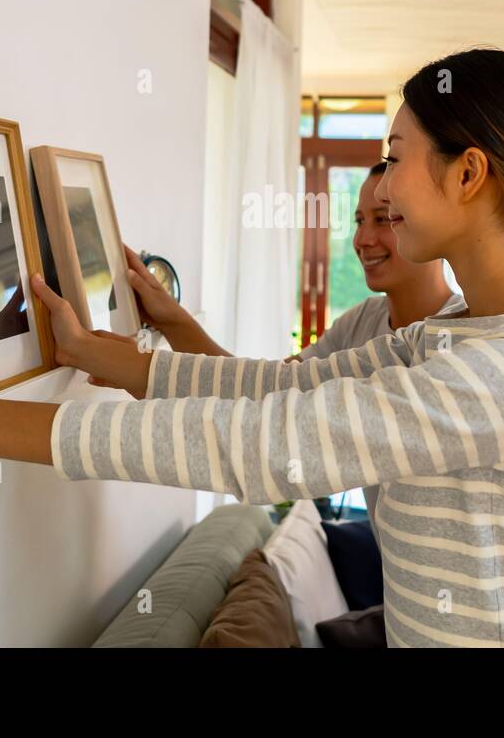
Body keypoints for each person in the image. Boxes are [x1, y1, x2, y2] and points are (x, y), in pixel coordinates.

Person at [0, 47, 504, 647]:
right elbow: (281, 392)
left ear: (468, 175)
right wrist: (107, 355)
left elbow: (272, 445)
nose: (380, 188)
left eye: (395, 161)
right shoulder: (458, 336)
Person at [115, 161, 464, 532]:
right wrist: (171, 319)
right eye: (360, 221)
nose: (363, 239)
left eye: (384, 219)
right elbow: (264, 391)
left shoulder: (457, 343)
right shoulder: (362, 322)